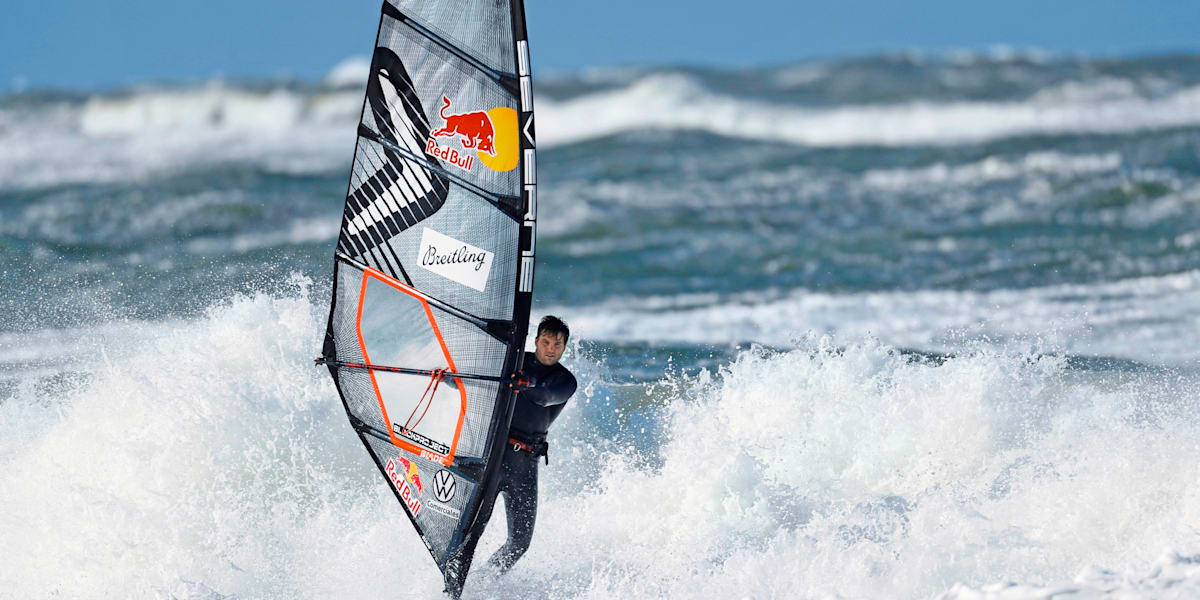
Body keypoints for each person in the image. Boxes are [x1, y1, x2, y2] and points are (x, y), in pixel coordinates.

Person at [445, 316, 577, 598]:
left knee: (519, 543)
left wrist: (526, 384)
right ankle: (451, 592)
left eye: (558, 344)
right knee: (470, 533)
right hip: (494, 458)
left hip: (525, 466)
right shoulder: (515, 361)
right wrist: (453, 379)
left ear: (564, 347)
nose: (551, 348)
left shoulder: (565, 381)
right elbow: (484, 380)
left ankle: (480, 586)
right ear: (536, 340)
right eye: (546, 341)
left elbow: (544, 396)